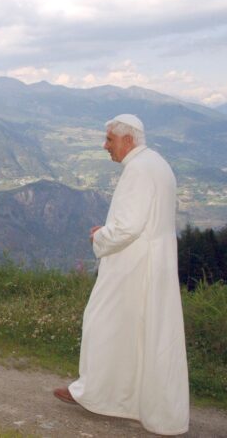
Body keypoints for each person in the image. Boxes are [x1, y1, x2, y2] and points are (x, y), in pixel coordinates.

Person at [53, 114, 189, 436]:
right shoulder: (156, 163)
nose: (105, 146)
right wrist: (111, 230)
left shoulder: (138, 170)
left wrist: (100, 236)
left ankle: (95, 393)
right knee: (143, 334)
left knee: (102, 322)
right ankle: (130, 401)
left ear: (127, 140)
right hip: (152, 261)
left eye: (109, 140)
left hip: (134, 263)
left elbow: (128, 226)